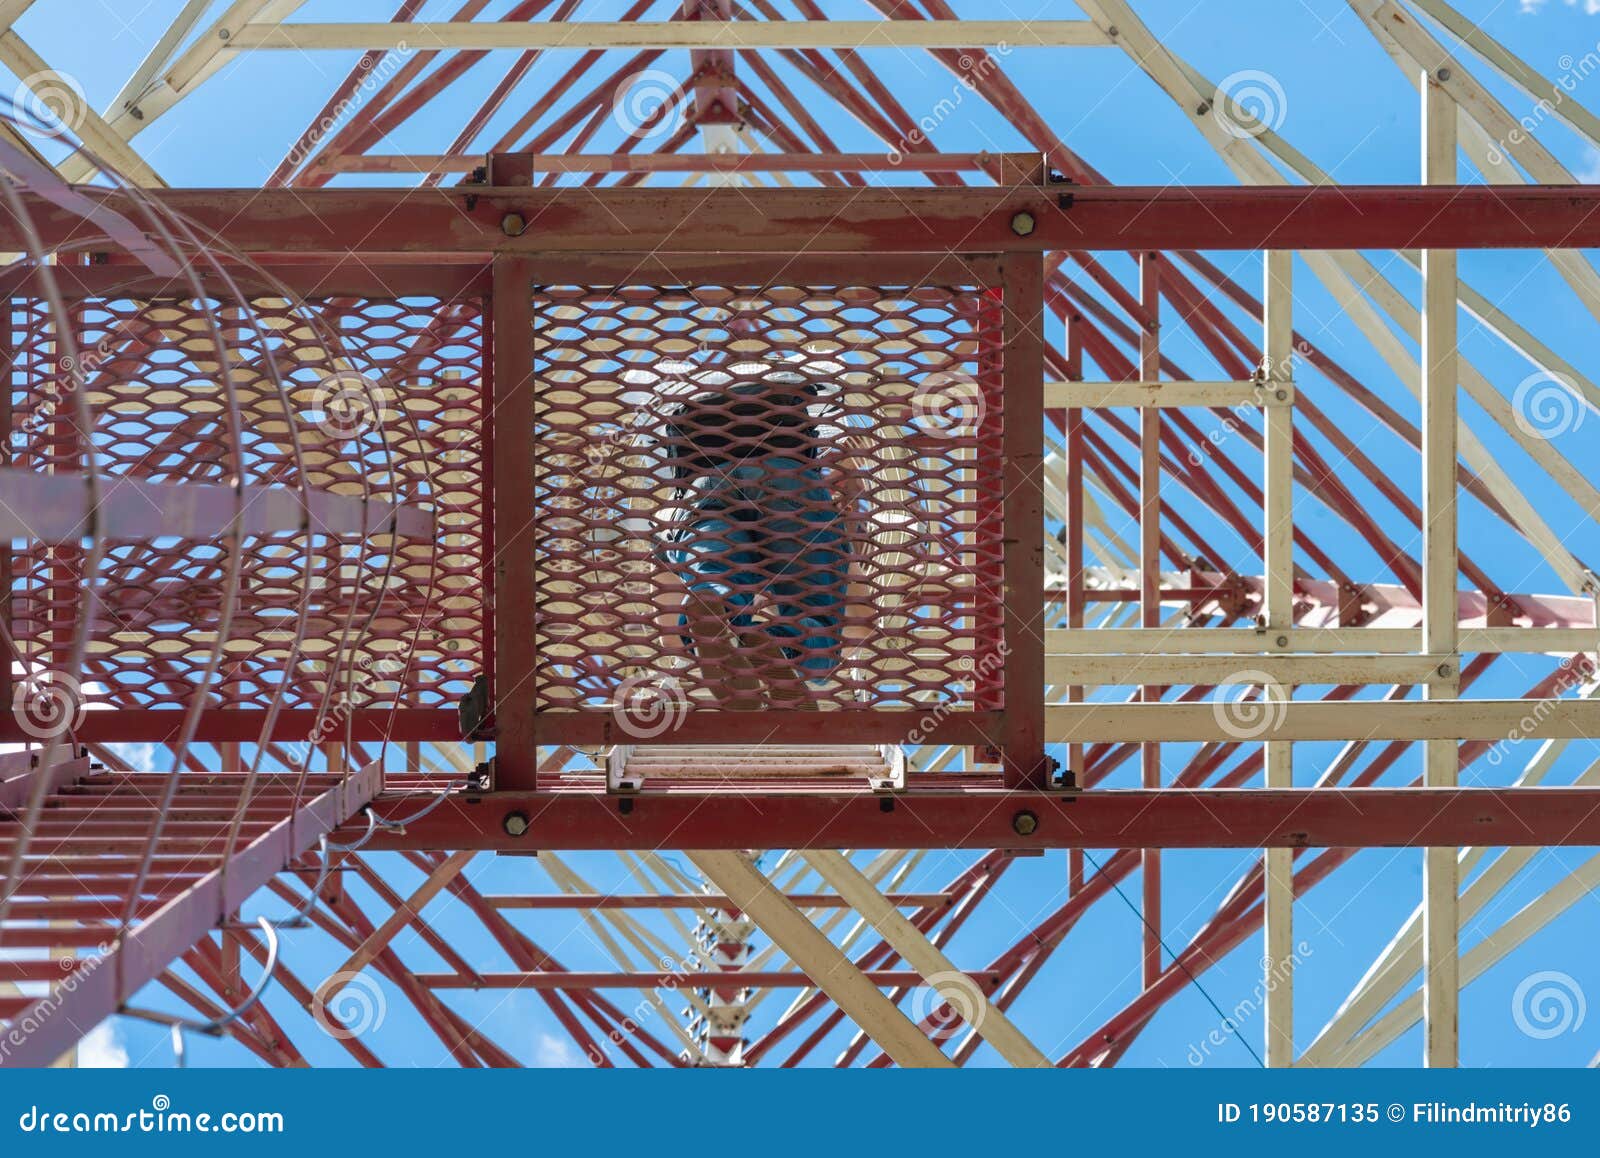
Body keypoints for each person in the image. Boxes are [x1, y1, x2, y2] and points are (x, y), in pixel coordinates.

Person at [659, 368, 852, 709]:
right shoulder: (797, 368)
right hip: (785, 470)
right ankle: (781, 645)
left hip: (705, 476)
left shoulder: (677, 380)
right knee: (816, 611)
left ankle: (716, 602)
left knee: (715, 564)